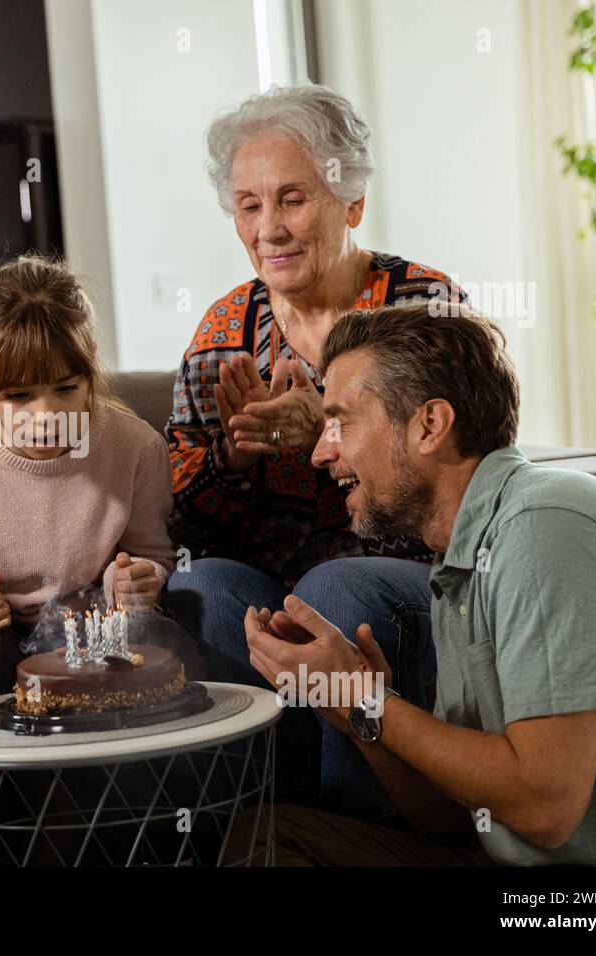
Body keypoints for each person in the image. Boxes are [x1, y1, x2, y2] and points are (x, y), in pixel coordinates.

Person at [244, 302, 596, 866]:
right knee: (265, 836)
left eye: (340, 421)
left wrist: (368, 699)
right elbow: (459, 822)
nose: (320, 452)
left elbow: (546, 807)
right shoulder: (460, 562)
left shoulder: (543, 525)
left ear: (429, 425)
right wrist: (354, 711)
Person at [163, 82, 469, 817]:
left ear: (351, 203)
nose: (269, 227)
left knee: (330, 598)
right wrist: (236, 462)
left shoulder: (422, 310)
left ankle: (359, 836)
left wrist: (330, 434)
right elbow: (186, 527)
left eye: (292, 198)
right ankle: (257, 831)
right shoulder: (222, 336)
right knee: (201, 588)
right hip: (277, 587)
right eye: (249, 204)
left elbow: (466, 485)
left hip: (410, 584)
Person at [0, 255, 205, 707]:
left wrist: (143, 579)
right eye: (18, 396)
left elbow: (154, 554)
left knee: (162, 637)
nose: (46, 416)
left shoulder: (136, 447)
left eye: (66, 388)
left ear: (91, 364)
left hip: (99, 628)